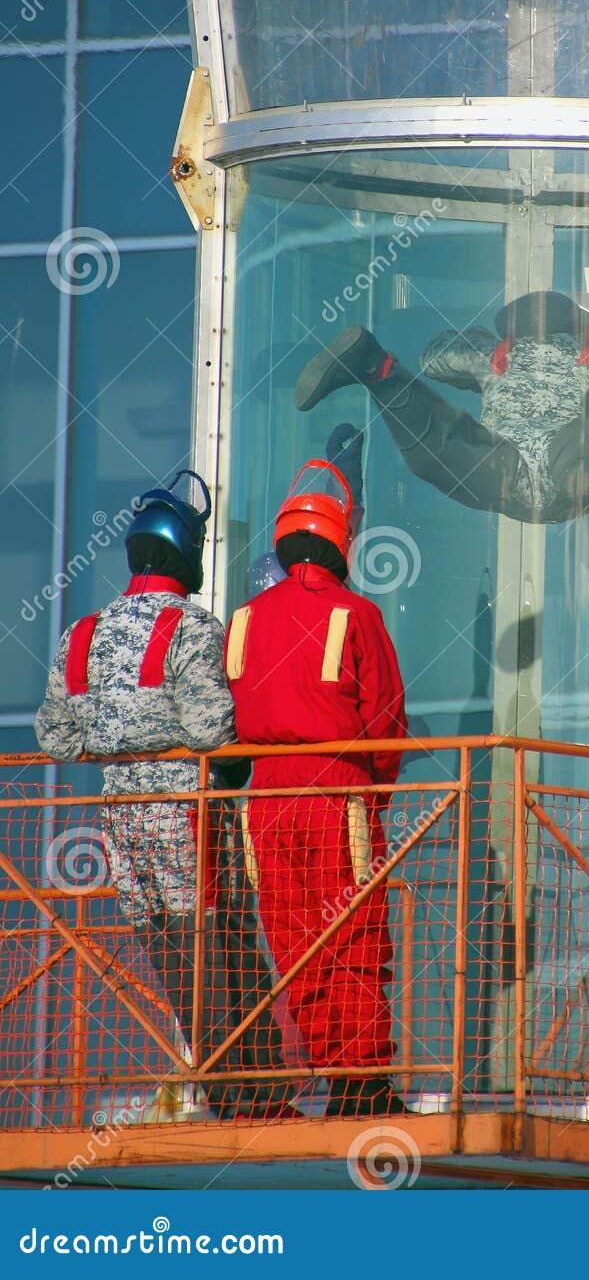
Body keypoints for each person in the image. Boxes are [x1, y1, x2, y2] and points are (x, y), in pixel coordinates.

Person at [34, 471, 295, 1121]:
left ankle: (237, 1089)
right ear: (186, 551)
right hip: (190, 815)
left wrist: (118, 740)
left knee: (171, 953)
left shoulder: (81, 637)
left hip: (121, 825)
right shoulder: (193, 628)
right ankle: (247, 1093)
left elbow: (57, 738)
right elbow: (211, 729)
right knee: (220, 947)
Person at [225, 454, 407, 1118]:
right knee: (355, 938)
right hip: (336, 794)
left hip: (263, 803)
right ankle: (361, 1083)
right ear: (338, 542)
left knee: (294, 942)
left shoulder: (243, 620)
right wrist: (373, 795)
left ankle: (334, 1073)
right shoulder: (353, 614)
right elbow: (385, 719)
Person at [292, 289, 589, 523]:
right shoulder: (497, 357)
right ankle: (377, 369)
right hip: (505, 472)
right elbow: (433, 356)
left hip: (574, 462)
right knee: (434, 455)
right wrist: (486, 352)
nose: (538, 335)